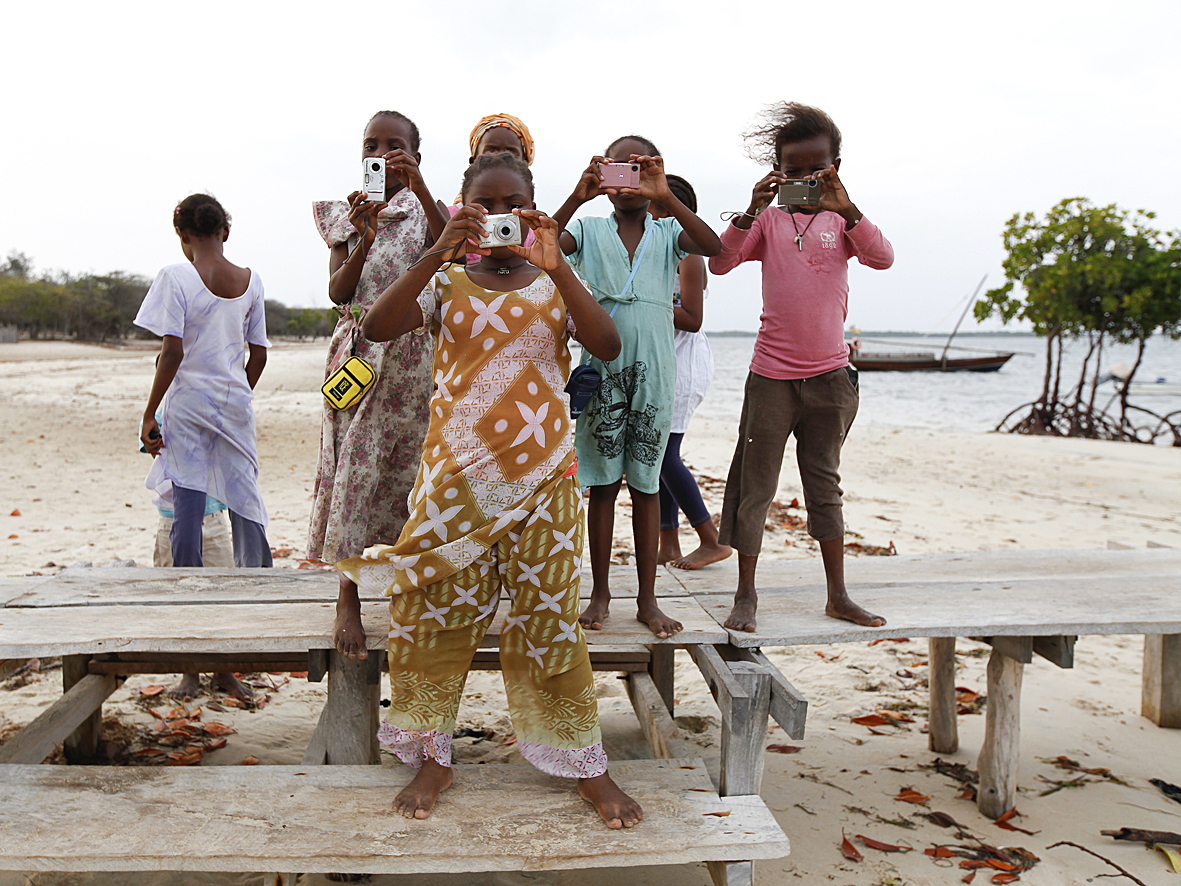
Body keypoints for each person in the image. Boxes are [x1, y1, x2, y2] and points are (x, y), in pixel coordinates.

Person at [337, 153, 641, 829]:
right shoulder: (445, 282)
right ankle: (432, 755)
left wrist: (558, 264)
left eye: (512, 204)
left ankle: (582, 763)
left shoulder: (557, 279)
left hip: (544, 481)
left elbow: (609, 344)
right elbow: (378, 326)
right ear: (465, 210)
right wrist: (436, 251)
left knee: (549, 619)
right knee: (432, 616)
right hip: (455, 479)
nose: (499, 215)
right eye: (486, 204)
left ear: (530, 210)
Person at [709, 102, 894, 632]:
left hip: (831, 378)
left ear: (835, 165)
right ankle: (745, 594)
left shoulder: (843, 218)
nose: (806, 179)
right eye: (794, 170)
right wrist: (750, 209)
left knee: (824, 485)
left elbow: (883, 257)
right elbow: (721, 263)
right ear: (777, 170)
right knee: (754, 487)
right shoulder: (768, 219)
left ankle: (838, 594)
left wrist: (849, 207)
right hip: (771, 376)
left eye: (818, 168)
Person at [552, 136, 721, 638]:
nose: (627, 178)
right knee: (601, 486)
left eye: (637, 167)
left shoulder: (669, 231)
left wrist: (665, 195)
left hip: (655, 372)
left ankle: (648, 598)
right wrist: (577, 196)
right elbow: (536, 246)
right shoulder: (586, 228)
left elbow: (713, 246)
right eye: (616, 168)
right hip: (602, 369)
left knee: (647, 486)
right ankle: (600, 592)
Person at [308, 110, 448, 662]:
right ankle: (348, 596)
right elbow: (338, 292)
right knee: (354, 470)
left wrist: (421, 185)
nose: (382, 153)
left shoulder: (426, 210)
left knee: (410, 470)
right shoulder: (345, 214)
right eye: (373, 143)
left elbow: (452, 251)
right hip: (358, 353)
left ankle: (405, 588)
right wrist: (362, 236)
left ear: (414, 154)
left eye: (396, 145)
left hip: (414, 357)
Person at [136, 193, 271, 700]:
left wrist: (151, 412)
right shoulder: (251, 280)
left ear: (183, 235)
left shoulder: (177, 275)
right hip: (233, 402)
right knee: (246, 502)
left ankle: (190, 635)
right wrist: (234, 395)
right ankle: (258, 604)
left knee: (189, 505)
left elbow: (170, 350)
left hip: (188, 401)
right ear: (225, 232)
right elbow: (257, 353)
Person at [650, 175, 732, 571]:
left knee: (663, 456)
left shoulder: (689, 255)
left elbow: (693, 319)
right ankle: (668, 543)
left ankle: (710, 539)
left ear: (666, 211)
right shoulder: (657, 251)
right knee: (661, 456)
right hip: (665, 361)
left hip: (685, 365)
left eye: (650, 207)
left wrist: (646, 305)